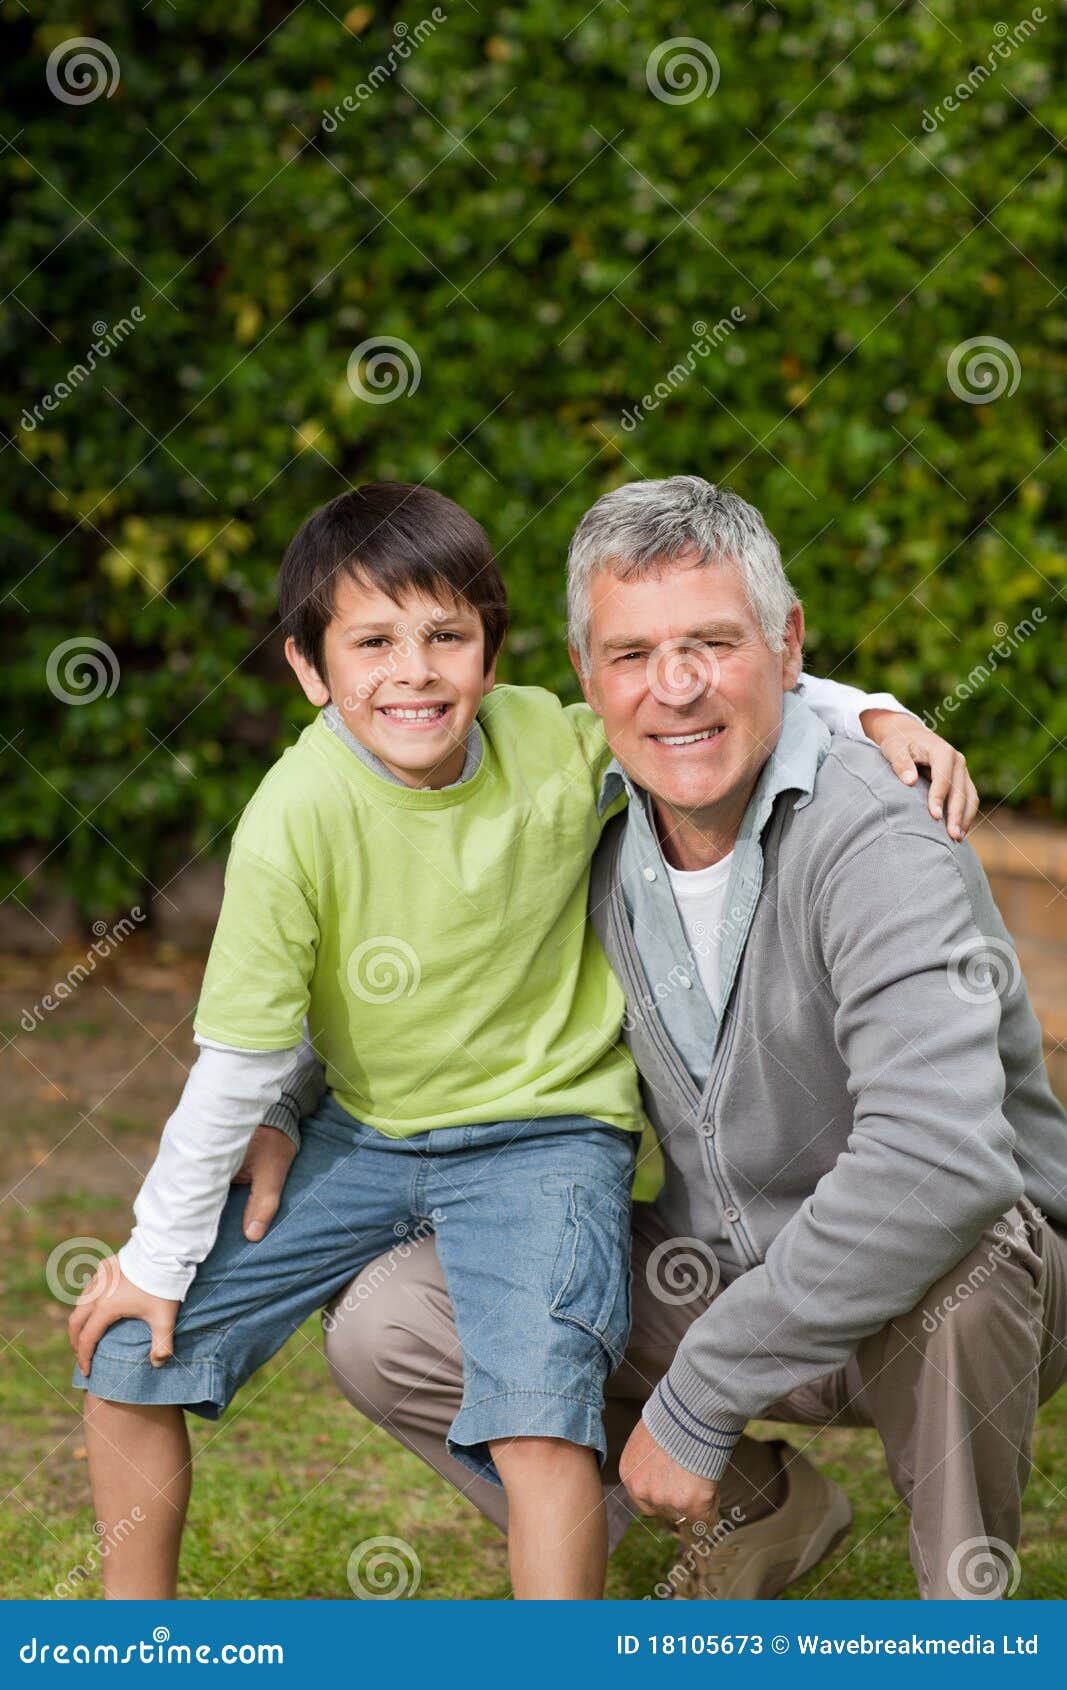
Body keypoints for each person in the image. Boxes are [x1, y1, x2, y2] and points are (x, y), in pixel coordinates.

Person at [69, 480, 969, 1601]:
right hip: (367, 1131)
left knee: (535, 1411)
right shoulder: (289, 819)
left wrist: (871, 710)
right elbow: (240, 1060)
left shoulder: (548, 742)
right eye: (372, 643)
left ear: (492, 656)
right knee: (127, 1352)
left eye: (446, 636)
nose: (414, 671)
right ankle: (136, 1642)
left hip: (544, 1138)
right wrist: (157, 1257)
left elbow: (704, 696)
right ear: (309, 669)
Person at [309, 477, 1066, 1601]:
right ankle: (759, 1511)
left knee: (963, 1250)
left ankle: (962, 1628)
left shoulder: (877, 830)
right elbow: (369, 899)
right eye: (632, 654)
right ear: (584, 675)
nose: (674, 687)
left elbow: (944, 1161)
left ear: (786, 644)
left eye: (713, 642)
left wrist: (701, 1392)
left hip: (961, 1292)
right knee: (390, 1319)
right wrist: (263, 1118)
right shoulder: (577, 819)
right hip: (709, 1265)